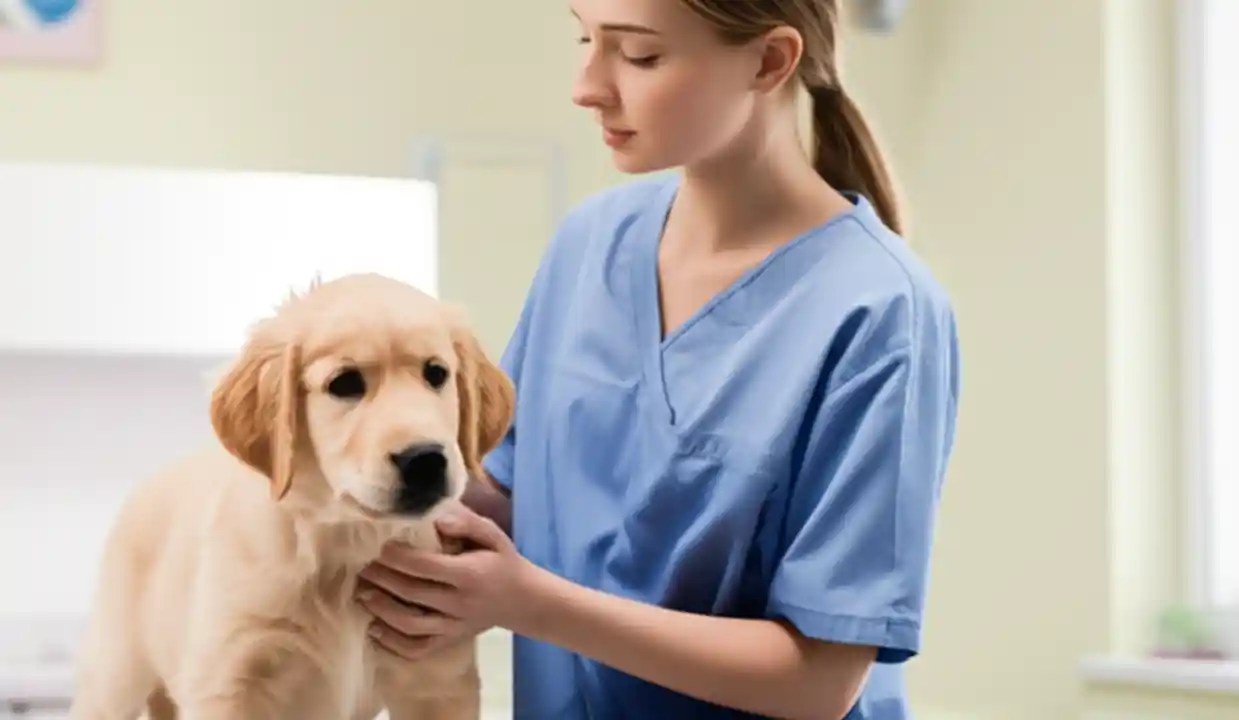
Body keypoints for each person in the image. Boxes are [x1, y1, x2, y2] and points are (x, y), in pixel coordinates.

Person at [355, 0, 960, 717]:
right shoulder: (589, 243)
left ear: (769, 62)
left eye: (639, 55)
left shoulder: (879, 310)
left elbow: (818, 680)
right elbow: (511, 491)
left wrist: (529, 604)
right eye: (586, 39)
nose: (587, 85)